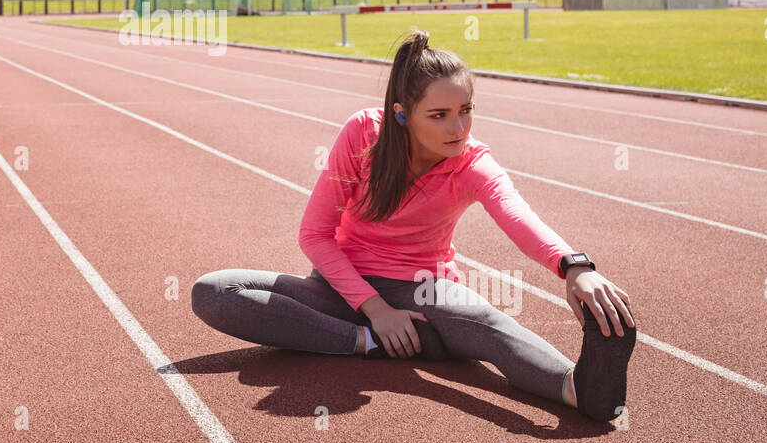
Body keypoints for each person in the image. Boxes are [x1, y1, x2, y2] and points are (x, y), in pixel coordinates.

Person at [190, 28, 637, 422]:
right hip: (341, 288)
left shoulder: (472, 163)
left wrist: (574, 266)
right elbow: (314, 235)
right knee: (215, 291)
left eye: (466, 110)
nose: (458, 127)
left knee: (486, 322)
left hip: (425, 289)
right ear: (403, 114)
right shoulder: (364, 133)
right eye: (439, 115)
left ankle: (576, 387)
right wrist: (376, 315)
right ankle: (375, 343)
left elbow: (516, 213)